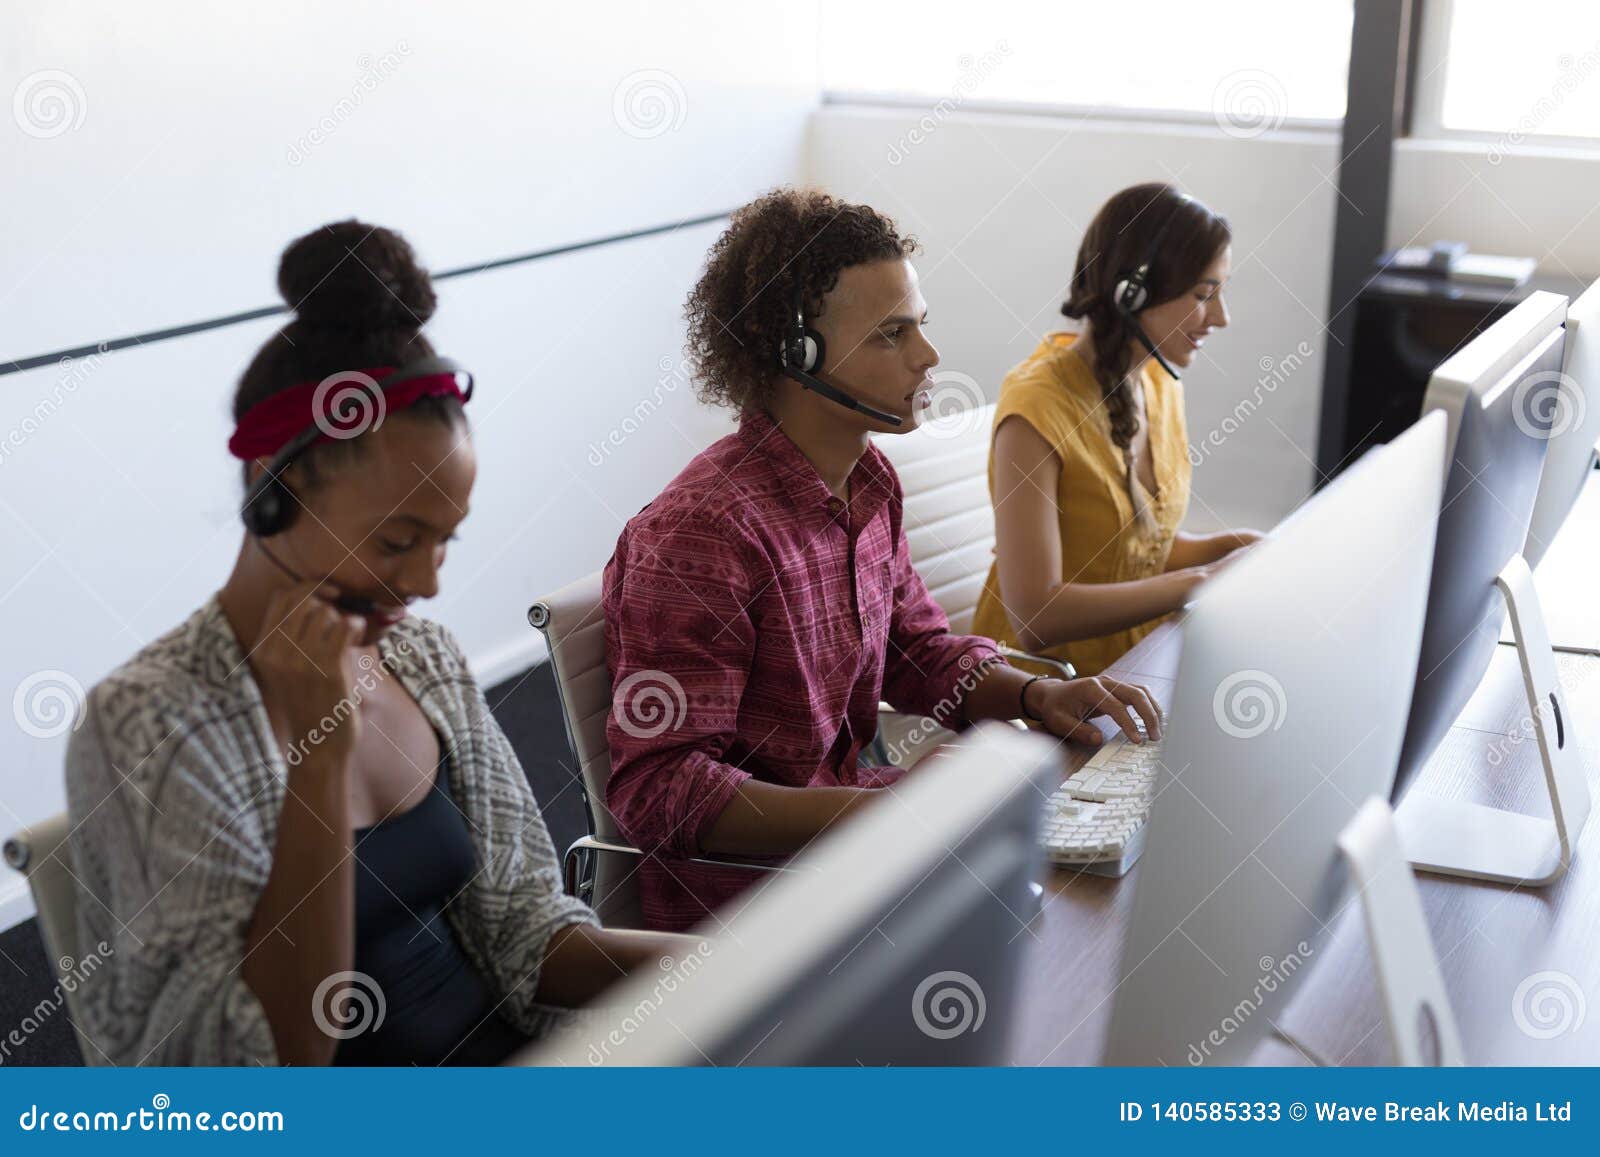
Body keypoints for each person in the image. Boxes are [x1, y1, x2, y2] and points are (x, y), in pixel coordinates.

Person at [66, 221, 680, 1066]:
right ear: (270, 489)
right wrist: (319, 767)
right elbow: (236, 1075)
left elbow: (523, 929)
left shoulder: (419, 657)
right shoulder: (150, 720)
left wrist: (731, 967)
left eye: (445, 540)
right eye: (396, 541)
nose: (428, 581)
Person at [602, 189, 1163, 932]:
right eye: (891, 335)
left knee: (1088, 914)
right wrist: (887, 811)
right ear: (794, 354)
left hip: (859, 853)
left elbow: (917, 647)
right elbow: (661, 789)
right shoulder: (702, 536)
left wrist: (1035, 696)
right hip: (751, 917)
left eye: (919, 326)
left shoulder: (868, 483)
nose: (928, 356)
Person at [971, 183, 1262, 677]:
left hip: (1137, 666)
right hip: (1042, 693)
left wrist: (1231, 547)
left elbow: (1132, 554)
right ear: (1133, 292)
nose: (1221, 317)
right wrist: (1201, 579)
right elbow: (1036, 616)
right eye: (1203, 295)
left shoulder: (1156, 382)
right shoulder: (1036, 409)